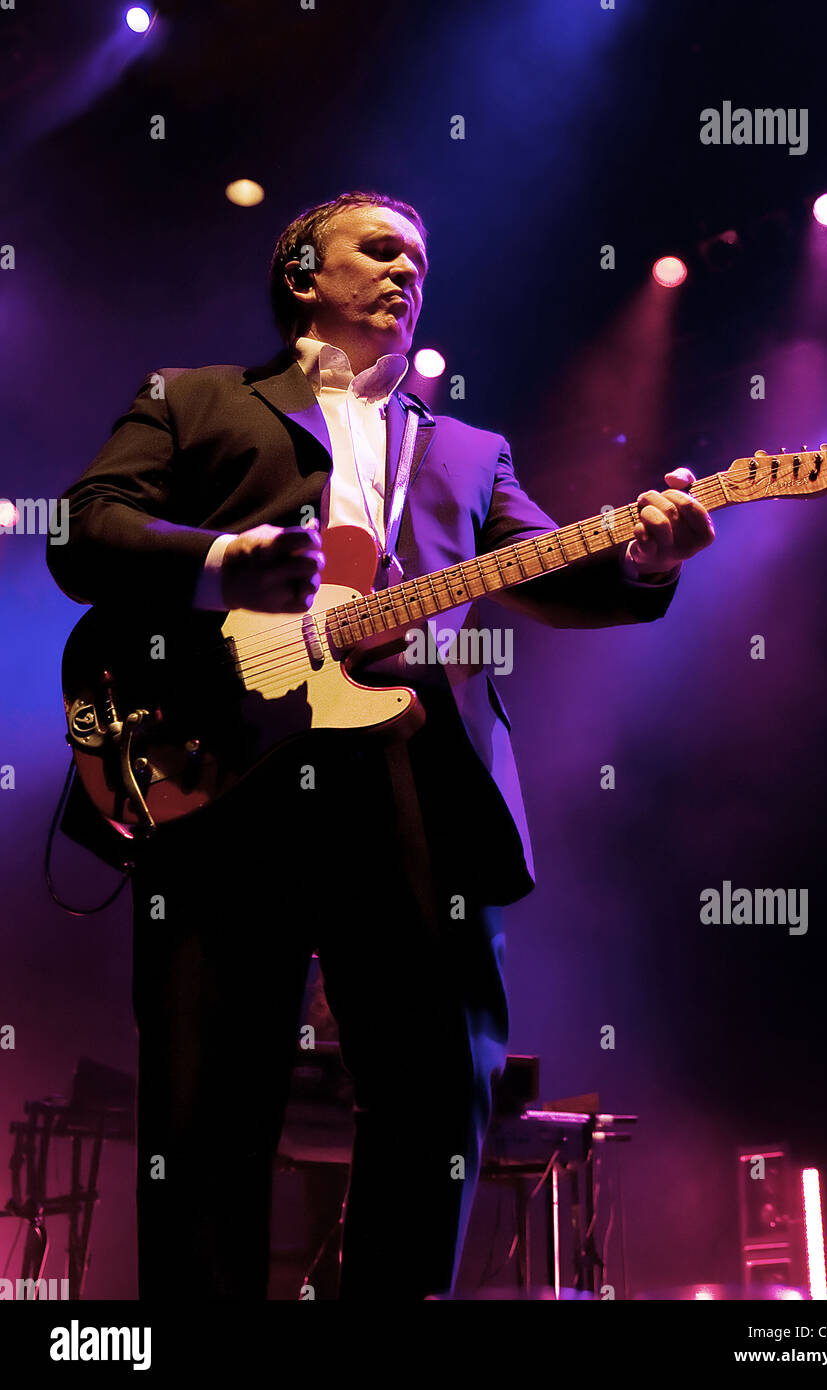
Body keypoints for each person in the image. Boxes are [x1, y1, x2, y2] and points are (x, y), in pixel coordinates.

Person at [47, 190, 715, 1300]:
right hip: (223, 769)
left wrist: (646, 558)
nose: (409, 270)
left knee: (438, 1092)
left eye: (420, 257)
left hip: (416, 786)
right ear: (304, 272)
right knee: (206, 1096)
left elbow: (551, 568)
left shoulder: (467, 449)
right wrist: (226, 566)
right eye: (380, 249)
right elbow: (84, 528)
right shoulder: (198, 401)